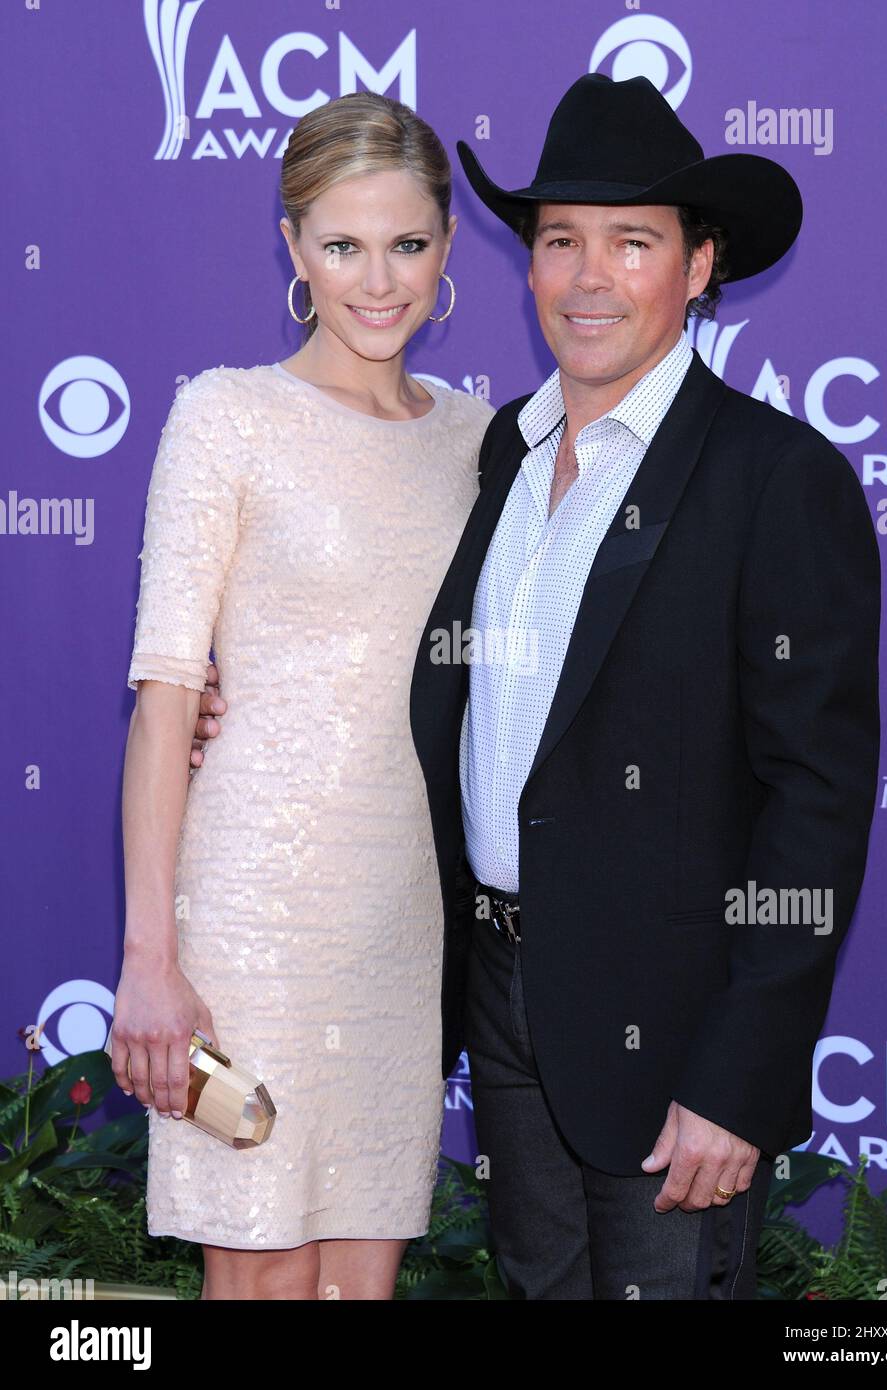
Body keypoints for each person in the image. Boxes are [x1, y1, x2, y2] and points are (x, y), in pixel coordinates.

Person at [196, 74, 880, 1301]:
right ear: (524, 265)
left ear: (699, 265)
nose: (588, 277)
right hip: (502, 1000)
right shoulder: (493, 451)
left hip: (675, 1039)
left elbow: (815, 807)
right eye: (560, 239)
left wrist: (739, 1078)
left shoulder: (776, 480)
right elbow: (380, 642)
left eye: (633, 242)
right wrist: (231, 701)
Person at [111, 91, 494, 1301]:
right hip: (252, 919)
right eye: (341, 245)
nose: (377, 280)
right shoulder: (225, 418)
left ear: (444, 246)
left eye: (406, 243)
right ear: (292, 247)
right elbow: (167, 695)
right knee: (265, 1280)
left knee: (360, 1285)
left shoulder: (484, 441)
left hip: (403, 926)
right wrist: (149, 955)